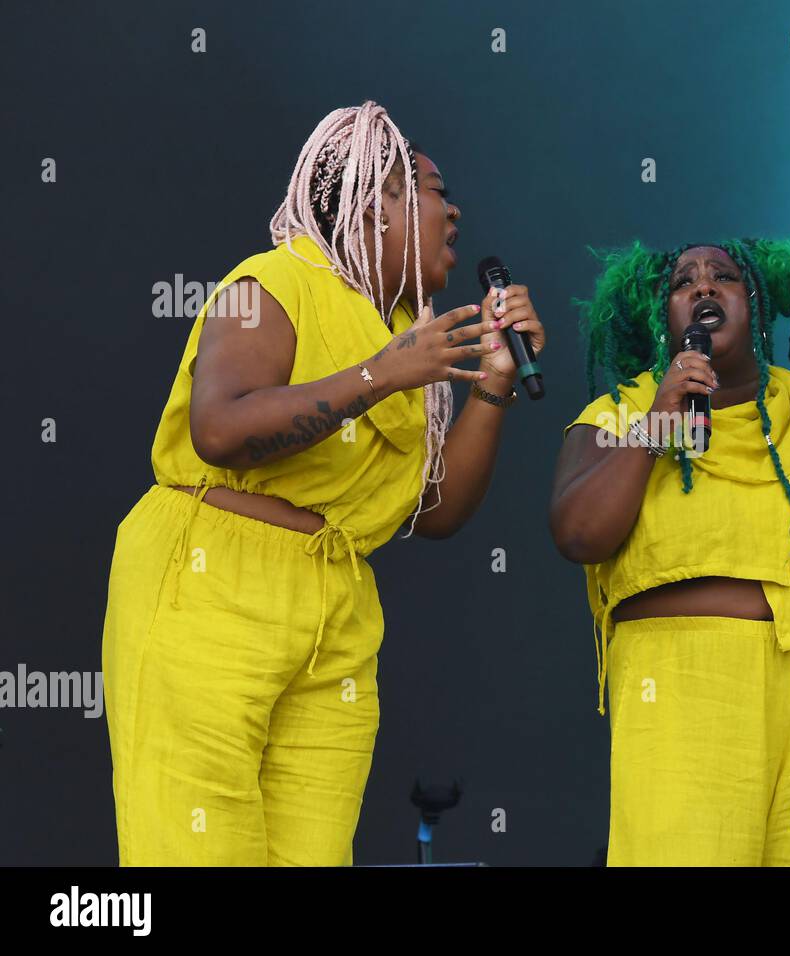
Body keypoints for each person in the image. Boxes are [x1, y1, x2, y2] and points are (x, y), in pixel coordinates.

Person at [101, 101, 546, 865]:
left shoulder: (410, 348)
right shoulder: (271, 281)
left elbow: (432, 511)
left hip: (335, 615)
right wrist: (380, 374)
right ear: (379, 204)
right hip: (211, 581)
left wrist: (492, 384)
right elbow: (222, 429)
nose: (457, 209)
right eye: (436, 189)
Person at [550, 238, 790, 866]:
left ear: (755, 303)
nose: (703, 288)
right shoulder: (617, 415)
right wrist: (657, 421)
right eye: (683, 283)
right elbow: (577, 534)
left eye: (724, 277)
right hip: (680, 694)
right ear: (661, 316)